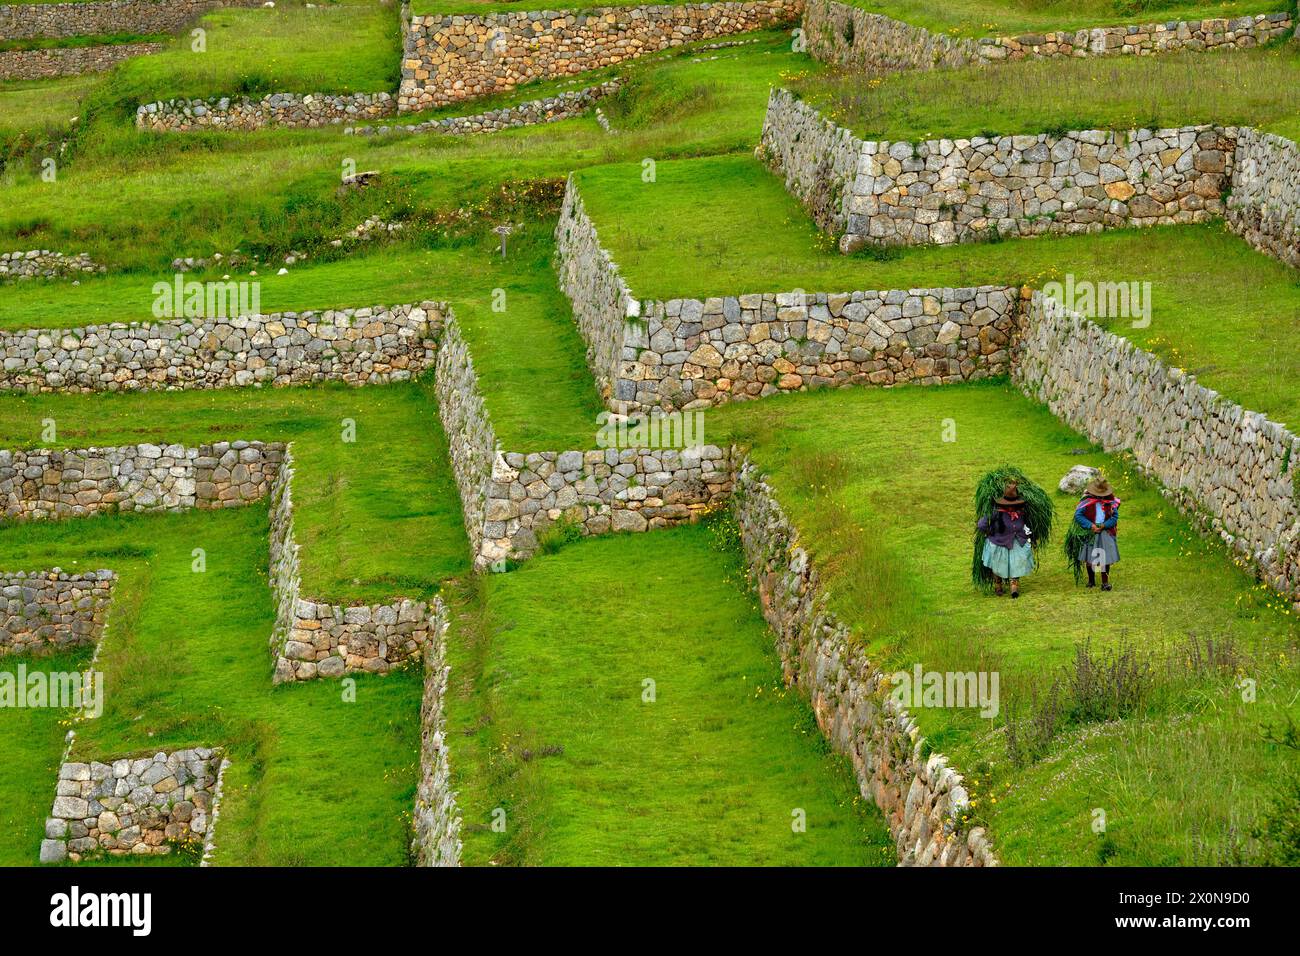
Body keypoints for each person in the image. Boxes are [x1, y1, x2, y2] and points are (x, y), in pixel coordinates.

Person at [976, 481, 1035, 598]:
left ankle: (1014, 586)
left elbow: (1026, 524)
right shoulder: (996, 513)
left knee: (1018, 562)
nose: (1011, 507)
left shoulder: (1021, 513)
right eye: (1009, 504)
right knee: (998, 564)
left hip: (1018, 542)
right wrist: (990, 533)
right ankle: (998, 585)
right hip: (999, 542)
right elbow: (981, 524)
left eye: (1013, 504)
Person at [1075, 476, 1121, 591]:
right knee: (1090, 557)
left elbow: (1114, 517)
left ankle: (1105, 582)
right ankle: (1091, 580)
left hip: (1105, 531)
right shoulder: (1086, 502)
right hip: (1091, 532)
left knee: (1105, 558)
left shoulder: (1110, 502)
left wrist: (1104, 525)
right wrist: (1091, 526)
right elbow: (1078, 516)